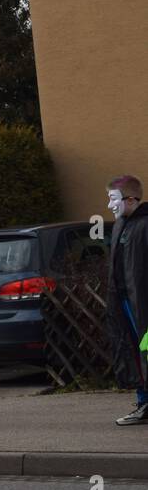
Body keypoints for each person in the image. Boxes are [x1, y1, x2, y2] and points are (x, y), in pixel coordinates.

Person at [106, 175, 148, 425]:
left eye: (113, 199)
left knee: (145, 350)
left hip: (142, 303)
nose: (110, 206)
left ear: (130, 199)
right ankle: (143, 401)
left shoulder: (144, 226)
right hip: (125, 302)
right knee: (133, 351)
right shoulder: (122, 225)